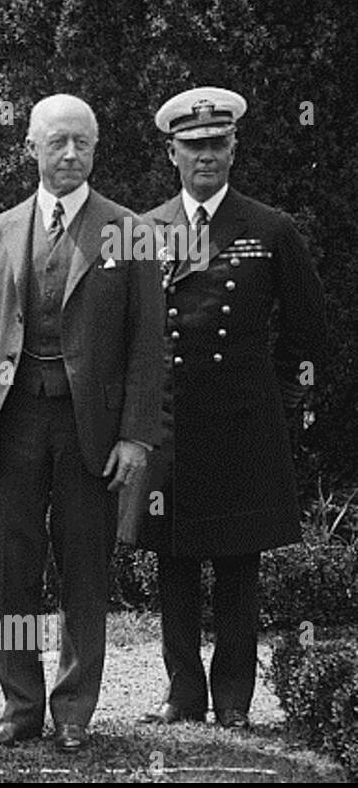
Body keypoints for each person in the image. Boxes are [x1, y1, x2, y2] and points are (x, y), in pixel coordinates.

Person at [0, 94, 162, 752]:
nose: (69, 154)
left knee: (83, 569)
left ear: (96, 149)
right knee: (11, 571)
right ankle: (19, 706)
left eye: (81, 142)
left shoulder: (128, 230)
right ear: (32, 149)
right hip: (14, 426)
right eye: (57, 142)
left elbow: (147, 346)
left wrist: (135, 435)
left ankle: (73, 709)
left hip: (90, 430)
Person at [128, 87, 324, 730]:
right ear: (172, 154)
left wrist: (281, 402)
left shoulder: (270, 228)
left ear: (234, 148)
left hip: (242, 422)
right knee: (175, 562)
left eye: (217, 145)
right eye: (193, 147)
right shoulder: (142, 231)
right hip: (170, 422)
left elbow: (306, 332)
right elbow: (125, 333)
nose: (205, 157)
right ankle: (183, 693)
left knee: (240, 564)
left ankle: (234, 699)